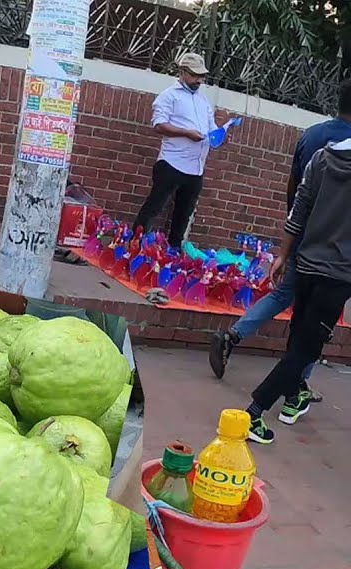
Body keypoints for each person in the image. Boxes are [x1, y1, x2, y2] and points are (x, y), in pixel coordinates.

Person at [209, 78, 351, 411]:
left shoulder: (314, 138)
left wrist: (291, 239)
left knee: (287, 298)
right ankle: (287, 390)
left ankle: (236, 334)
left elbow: (295, 190)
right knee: (313, 329)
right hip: (338, 257)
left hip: (302, 238)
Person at [243, 138, 351, 444]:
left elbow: (298, 210)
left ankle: (292, 400)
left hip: (305, 263)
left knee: (299, 335)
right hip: (338, 274)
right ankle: (254, 412)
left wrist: (283, 254)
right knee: (307, 348)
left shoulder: (321, 157)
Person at [132, 53, 217, 245]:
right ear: (183, 73)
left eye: (201, 76)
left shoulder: (203, 101)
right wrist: (186, 133)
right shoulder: (169, 96)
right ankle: (134, 244)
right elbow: (159, 125)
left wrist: (220, 135)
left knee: (183, 214)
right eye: (195, 75)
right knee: (154, 207)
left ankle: (174, 251)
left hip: (196, 167)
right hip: (172, 162)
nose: (199, 80)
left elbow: (211, 128)